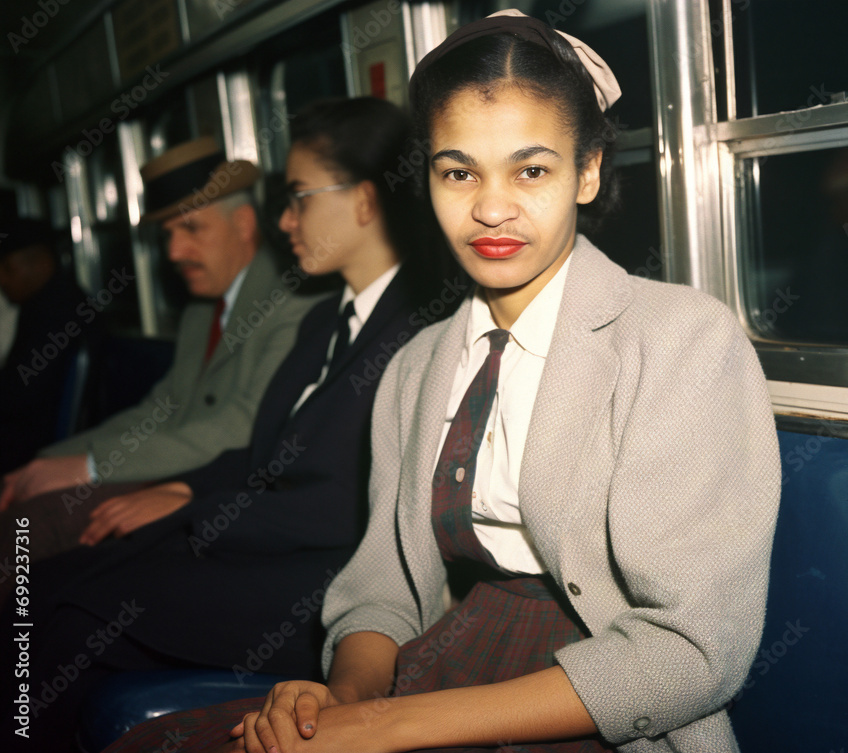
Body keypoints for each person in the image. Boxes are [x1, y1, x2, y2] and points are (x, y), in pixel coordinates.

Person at [103, 11, 780, 753]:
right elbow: (382, 587)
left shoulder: (683, 341)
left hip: (597, 714)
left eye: (532, 170)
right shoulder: (417, 365)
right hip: (447, 668)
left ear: (587, 170)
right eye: (459, 172)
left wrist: (381, 723)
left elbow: (691, 651)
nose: (491, 208)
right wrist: (339, 699)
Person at [0, 97, 452, 753]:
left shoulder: (421, 330)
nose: (284, 220)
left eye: (298, 198)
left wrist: (201, 513)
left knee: (71, 617)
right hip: (264, 536)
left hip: (327, 581)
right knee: (47, 585)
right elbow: (261, 451)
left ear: (363, 201)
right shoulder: (326, 319)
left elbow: (346, 505)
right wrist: (186, 490)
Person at [0, 139, 324, 586]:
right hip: (161, 466)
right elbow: (159, 409)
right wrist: (49, 462)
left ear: (245, 224)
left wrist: (90, 467)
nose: (173, 253)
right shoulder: (199, 311)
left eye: (191, 229)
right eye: (168, 234)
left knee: (27, 533)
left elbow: (242, 428)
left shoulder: (296, 305)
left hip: (219, 489)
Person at [0, 219, 101, 475]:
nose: (2, 279)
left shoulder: (59, 311)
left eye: (7, 269)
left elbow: (22, 393)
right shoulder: (40, 302)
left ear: (41, 263)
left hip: (36, 445)